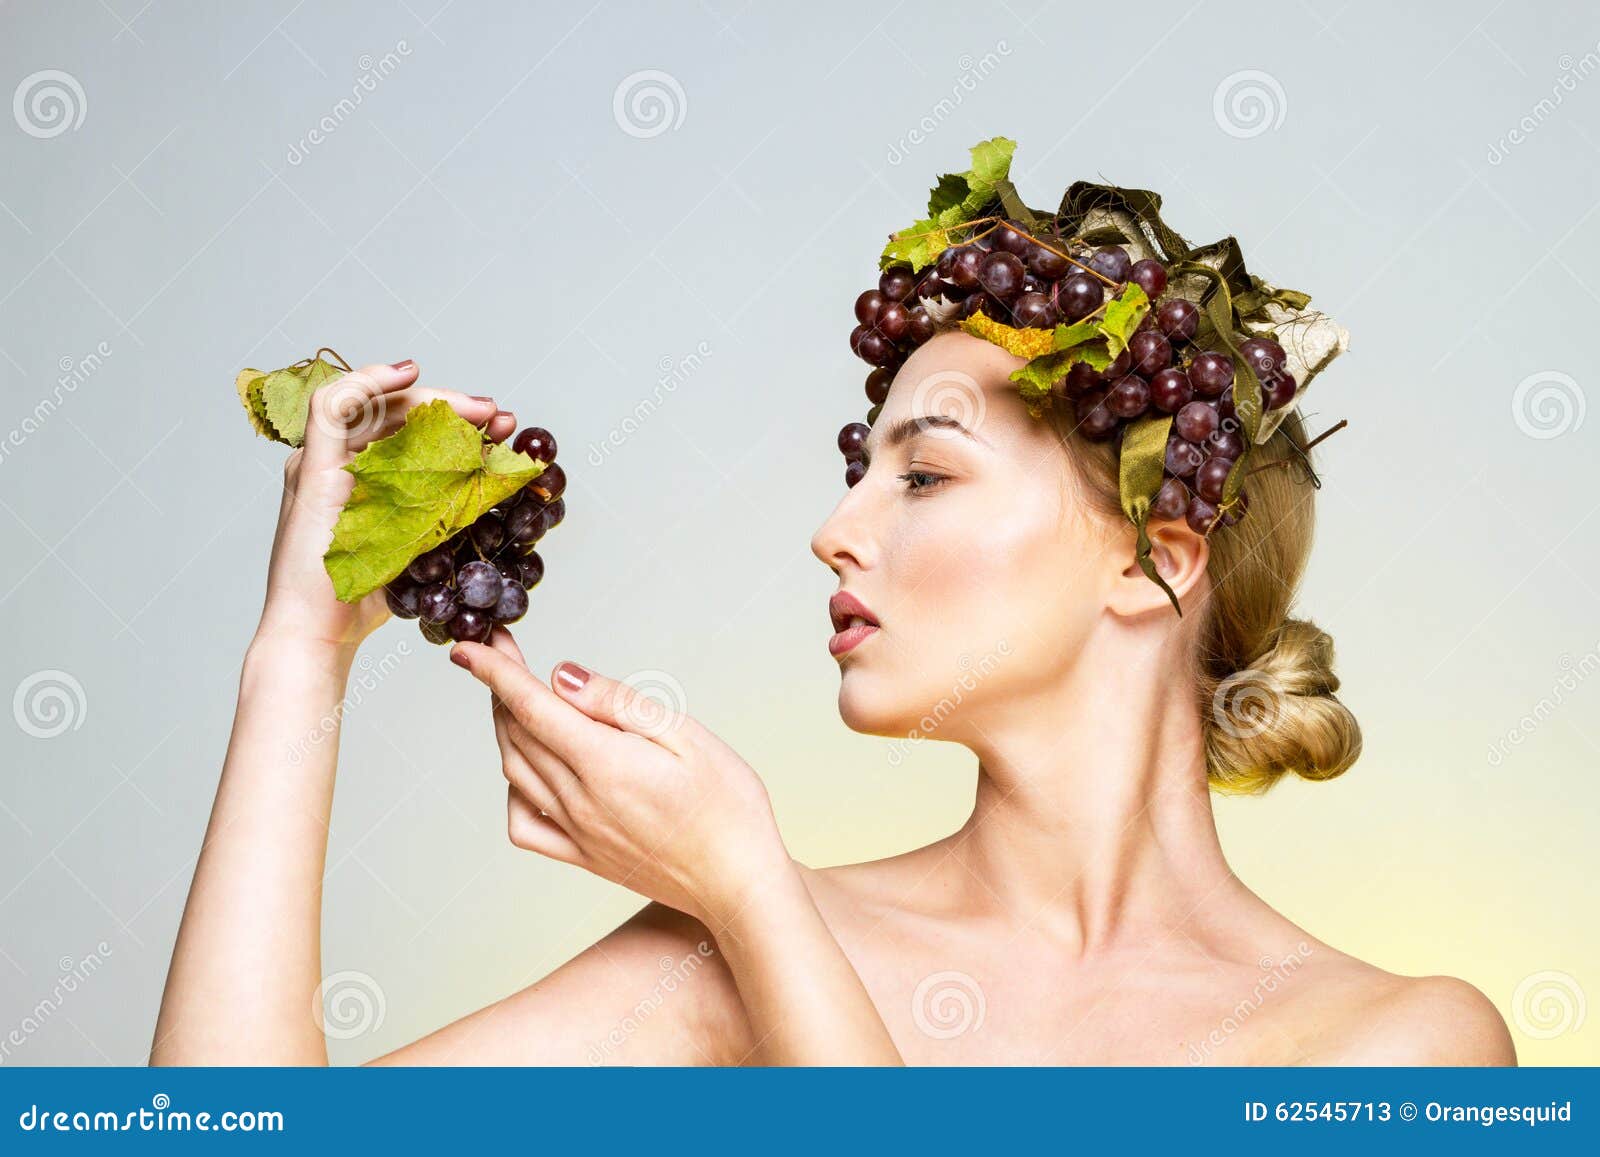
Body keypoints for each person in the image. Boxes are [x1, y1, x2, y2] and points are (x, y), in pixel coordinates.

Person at [151, 342, 1514, 1067]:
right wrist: (299, 654)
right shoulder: (719, 954)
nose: (833, 529)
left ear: (1149, 557)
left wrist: (755, 899)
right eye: (857, 471)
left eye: (922, 476)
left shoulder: (1402, 1048)